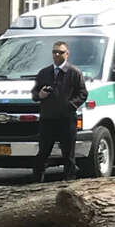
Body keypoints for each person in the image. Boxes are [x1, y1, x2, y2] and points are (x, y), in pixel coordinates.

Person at [31, 41, 88, 181]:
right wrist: (40, 95)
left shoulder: (74, 73)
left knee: (68, 155)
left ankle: (69, 183)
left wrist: (70, 105)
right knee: (43, 153)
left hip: (66, 120)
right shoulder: (44, 73)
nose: (57, 54)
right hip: (47, 119)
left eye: (60, 52)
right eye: (54, 52)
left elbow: (83, 93)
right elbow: (34, 93)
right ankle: (36, 183)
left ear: (67, 54)